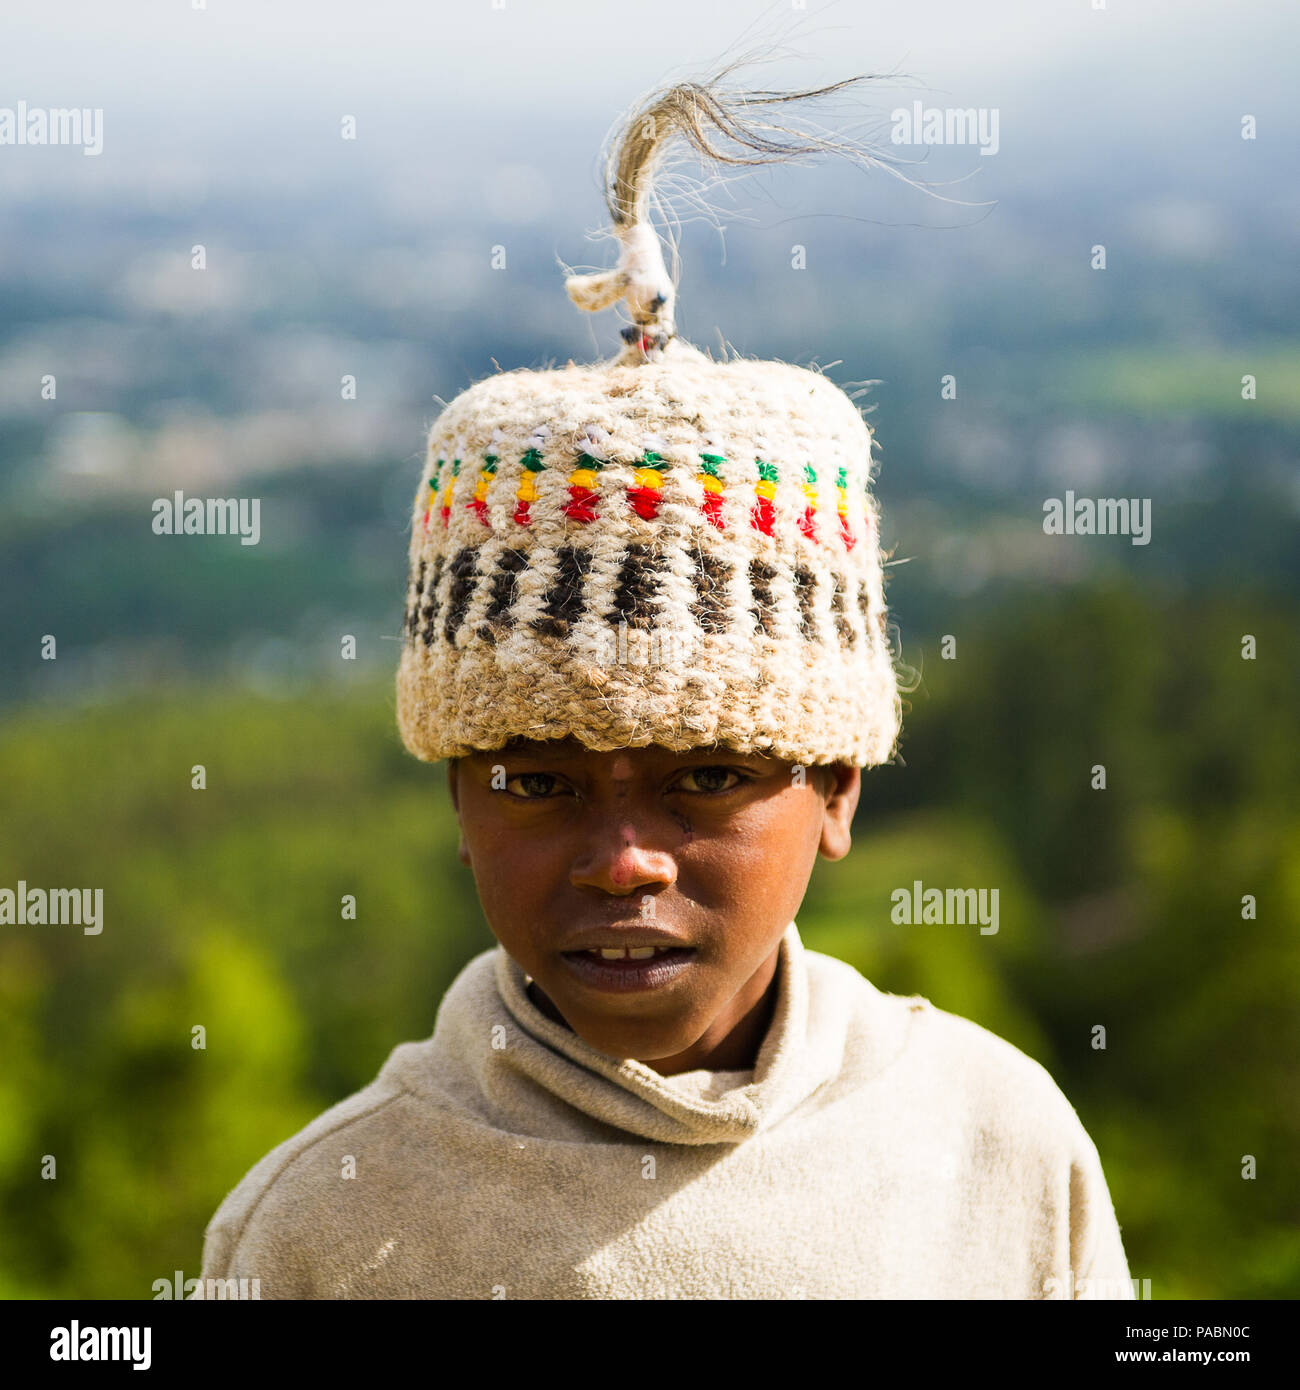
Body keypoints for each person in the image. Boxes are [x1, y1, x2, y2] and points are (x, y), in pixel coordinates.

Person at [198, 68, 1134, 1300]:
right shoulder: (325, 1227)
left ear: (839, 790)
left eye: (708, 776)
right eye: (536, 779)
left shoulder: (994, 1145)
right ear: (459, 806)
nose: (623, 859)